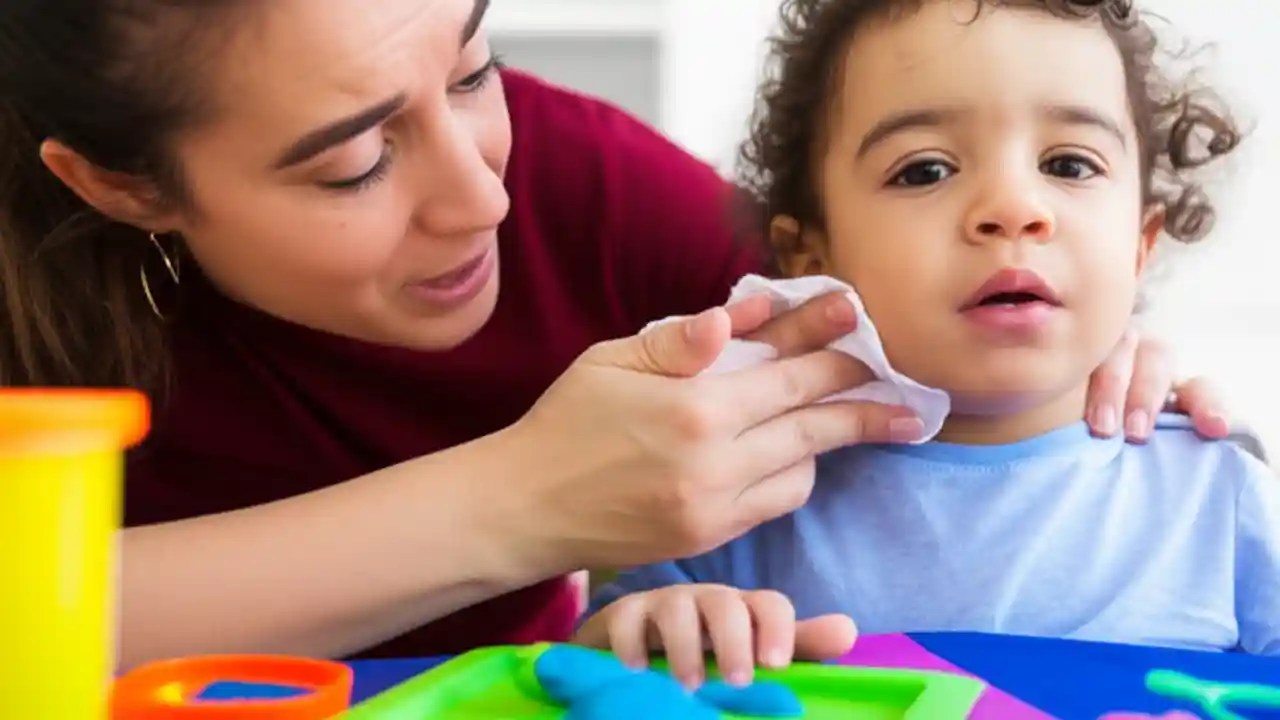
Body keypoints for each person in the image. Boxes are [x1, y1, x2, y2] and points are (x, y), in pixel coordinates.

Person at [0, 0, 1229, 669]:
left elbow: (891, 323)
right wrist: (514, 503)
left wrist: (1078, 365)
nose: (487, 196)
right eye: (355, 162)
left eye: (477, 68)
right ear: (119, 185)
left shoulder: (590, 188)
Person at [576, 0, 1280, 690]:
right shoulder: (739, 499)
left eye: (1069, 164)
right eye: (925, 171)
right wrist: (661, 631)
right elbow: (580, 674)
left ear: (1140, 245)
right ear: (811, 257)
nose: (1014, 208)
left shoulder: (1225, 503)